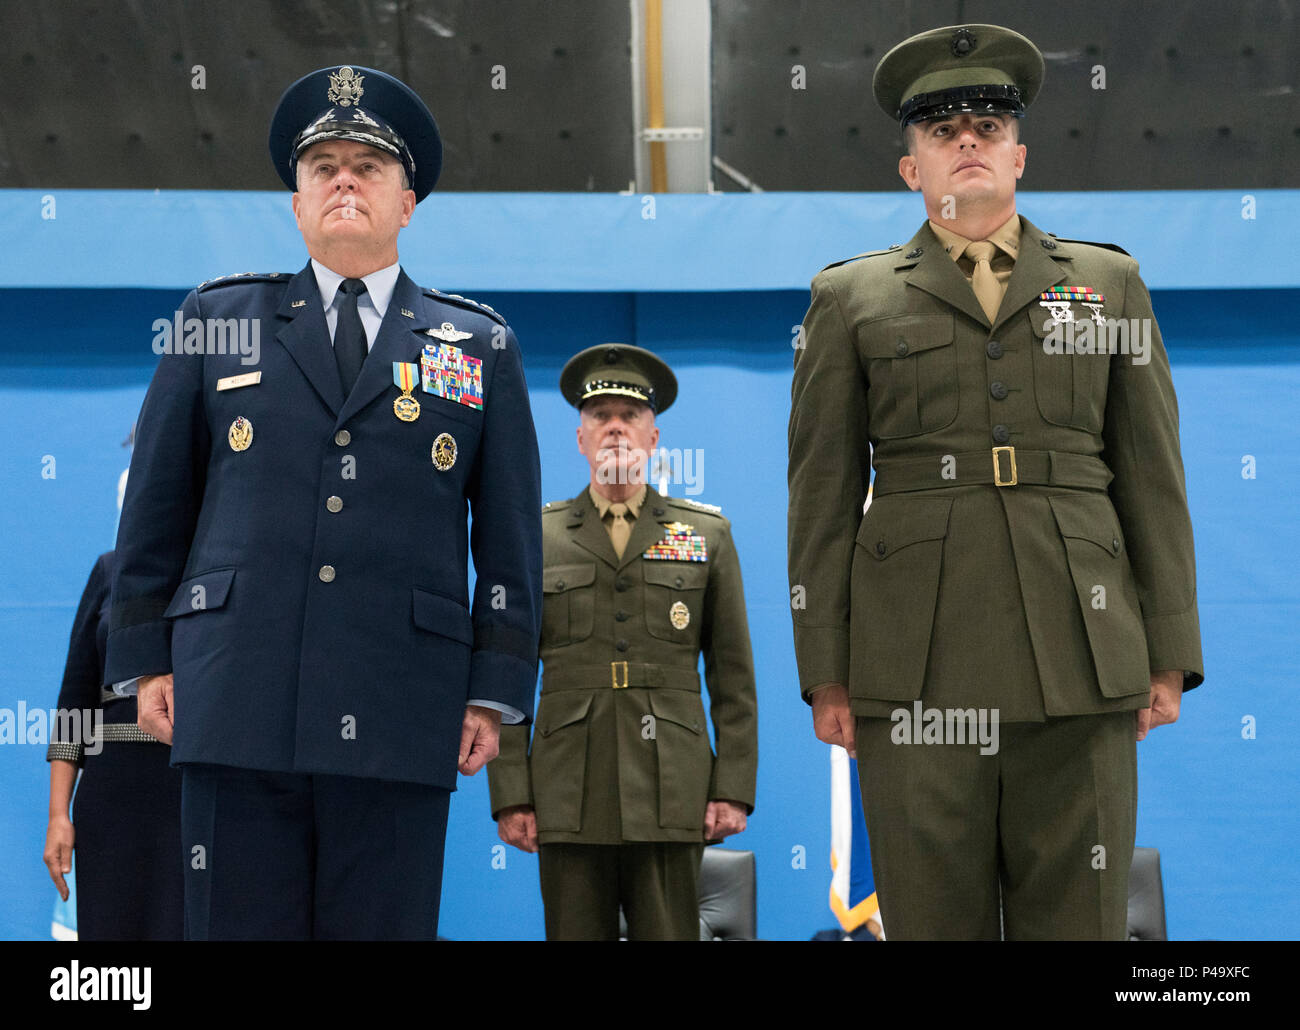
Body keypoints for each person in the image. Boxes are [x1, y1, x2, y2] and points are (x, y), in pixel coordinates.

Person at [104, 64, 542, 940]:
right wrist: (147, 659)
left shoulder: (478, 345)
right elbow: (154, 512)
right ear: (297, 203)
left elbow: (508, 542)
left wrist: (492, 691)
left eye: (368, 167)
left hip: (400, 707)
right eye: (324, 168)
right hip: (236, 701)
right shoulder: (216, 318)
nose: (345, 180)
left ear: (407, 202)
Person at [787, 24, 1204, 940]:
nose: (966, 140)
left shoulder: (1105, 285)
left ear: (1020, 154)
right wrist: (826, 671)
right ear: (911, 169)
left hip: (1081, 656)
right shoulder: (851, 299)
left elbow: (1151, 477)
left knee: (1081, 922)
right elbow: (819, 498)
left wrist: (1168, 649)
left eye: (986, 123)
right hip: (915, 671)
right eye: (941, 130)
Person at [489, 344, 758, 940]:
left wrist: (732, 789)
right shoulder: (538, 538)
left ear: (654, 437)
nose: (614, 426)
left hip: (672, 789)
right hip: (566, 793)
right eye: (599, 415)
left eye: (629, 416)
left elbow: (733, 680)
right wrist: (512, 793)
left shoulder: (703, 535)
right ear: (580, 438)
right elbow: (506, 676)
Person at [44, 549, 184, 940]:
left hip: (202, 791)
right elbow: (75, 702)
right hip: (112, 800)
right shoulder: (112, 569)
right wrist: (58, 815)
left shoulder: (234, 562)